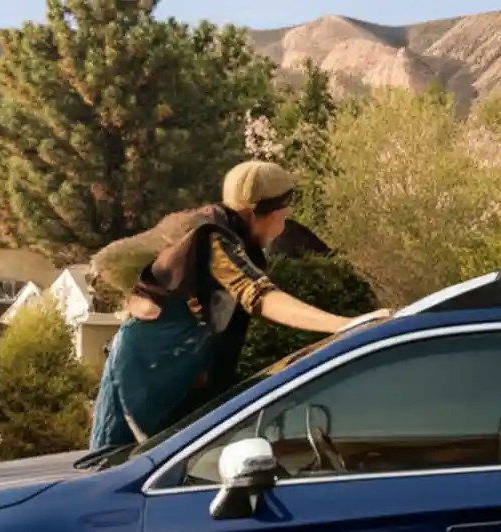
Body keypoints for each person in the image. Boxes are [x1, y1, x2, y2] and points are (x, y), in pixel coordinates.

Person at [89, 160, 385, 449]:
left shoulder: (225, 234)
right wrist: (344, 325)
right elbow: (259, 296)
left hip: (171, 366)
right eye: (282, 216)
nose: (283, 227)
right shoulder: (214, 239)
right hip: (148, 370)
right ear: (253, 213)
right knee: (124, 467)